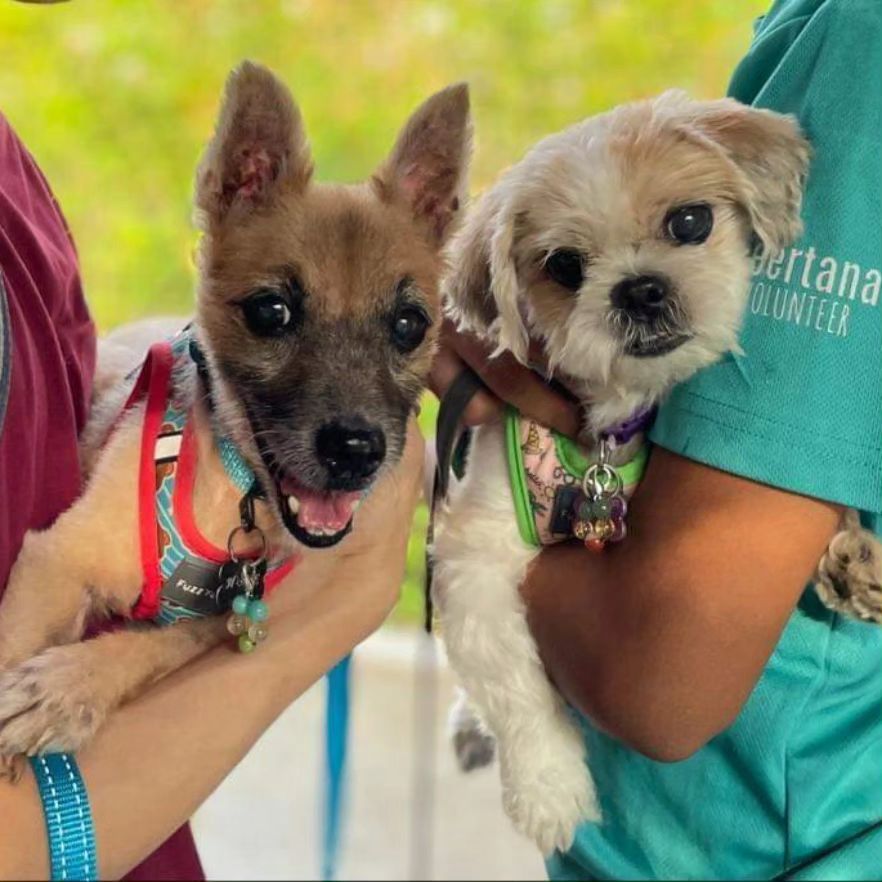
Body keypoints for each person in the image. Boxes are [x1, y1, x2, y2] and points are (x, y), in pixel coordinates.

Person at [431, 0, 882, 878]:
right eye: (570, 268)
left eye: (685, 227)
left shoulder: (853, 40)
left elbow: (660, 691)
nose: (643, 290)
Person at [0, 111, 422, 879]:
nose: (354, 425)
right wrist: (327, 611)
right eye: (274, 314)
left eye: (404, 327)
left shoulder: (15, 184)